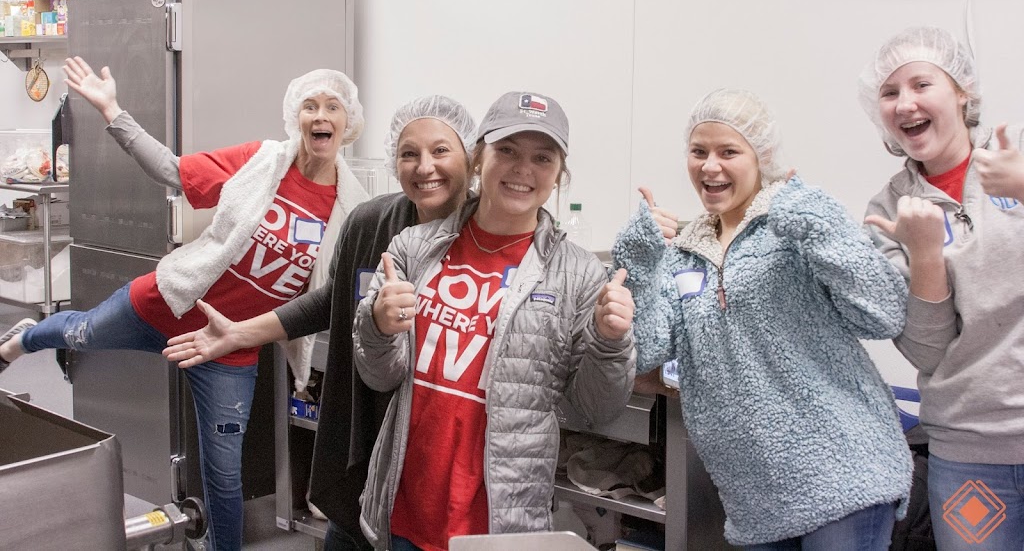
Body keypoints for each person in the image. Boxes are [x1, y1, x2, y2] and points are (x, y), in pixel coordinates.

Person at [0, 56, 368, 551]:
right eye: (310, 105)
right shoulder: (261, 160)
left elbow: (341, 286)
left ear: (348, 125)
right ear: (295, 117)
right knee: (79, 331)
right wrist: (113, 111)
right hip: (166, 304)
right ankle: (23, 339)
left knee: (224, 474)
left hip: (229, 348)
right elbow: (175, 172)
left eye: (332, 107)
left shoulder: (353, 207)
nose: (320, 115)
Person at [161, 95, 479, 550]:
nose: (424, 166)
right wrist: (238, 333)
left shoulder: (486, 237)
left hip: (436, 453)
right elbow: (332, 300)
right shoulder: (371, 222)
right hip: (365, 440)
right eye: (409, 153)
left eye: (441, 151)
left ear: (469, 153)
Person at [612, 88, 913, 550]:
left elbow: (884, 313)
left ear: (762, 156)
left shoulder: (792, 223)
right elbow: (648, 350)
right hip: (755, 500)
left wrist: (817, 221)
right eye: (698, 152)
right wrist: (642, 262)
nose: (710, 166)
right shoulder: (685, 252)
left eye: (728, 151)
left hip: (845, 475)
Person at [353, 91, 636, 550]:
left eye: (542, 157)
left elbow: (595, 409)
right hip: (404, 505)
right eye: (507, 151)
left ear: (559, 175)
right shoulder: (414, 248)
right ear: (479, 157)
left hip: (502, 520)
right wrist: (380, 325)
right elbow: (379, 375)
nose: (523, 169)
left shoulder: (579, 274)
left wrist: (610, 340)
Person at [858, 26, 1024, 550]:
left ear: (962, 91)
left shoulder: (1015, 161)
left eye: (921, 84)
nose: (905, 103)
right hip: (969, 452)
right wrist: (925, 254)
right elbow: (928, 351)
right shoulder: (887, 213)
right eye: (889, 92)